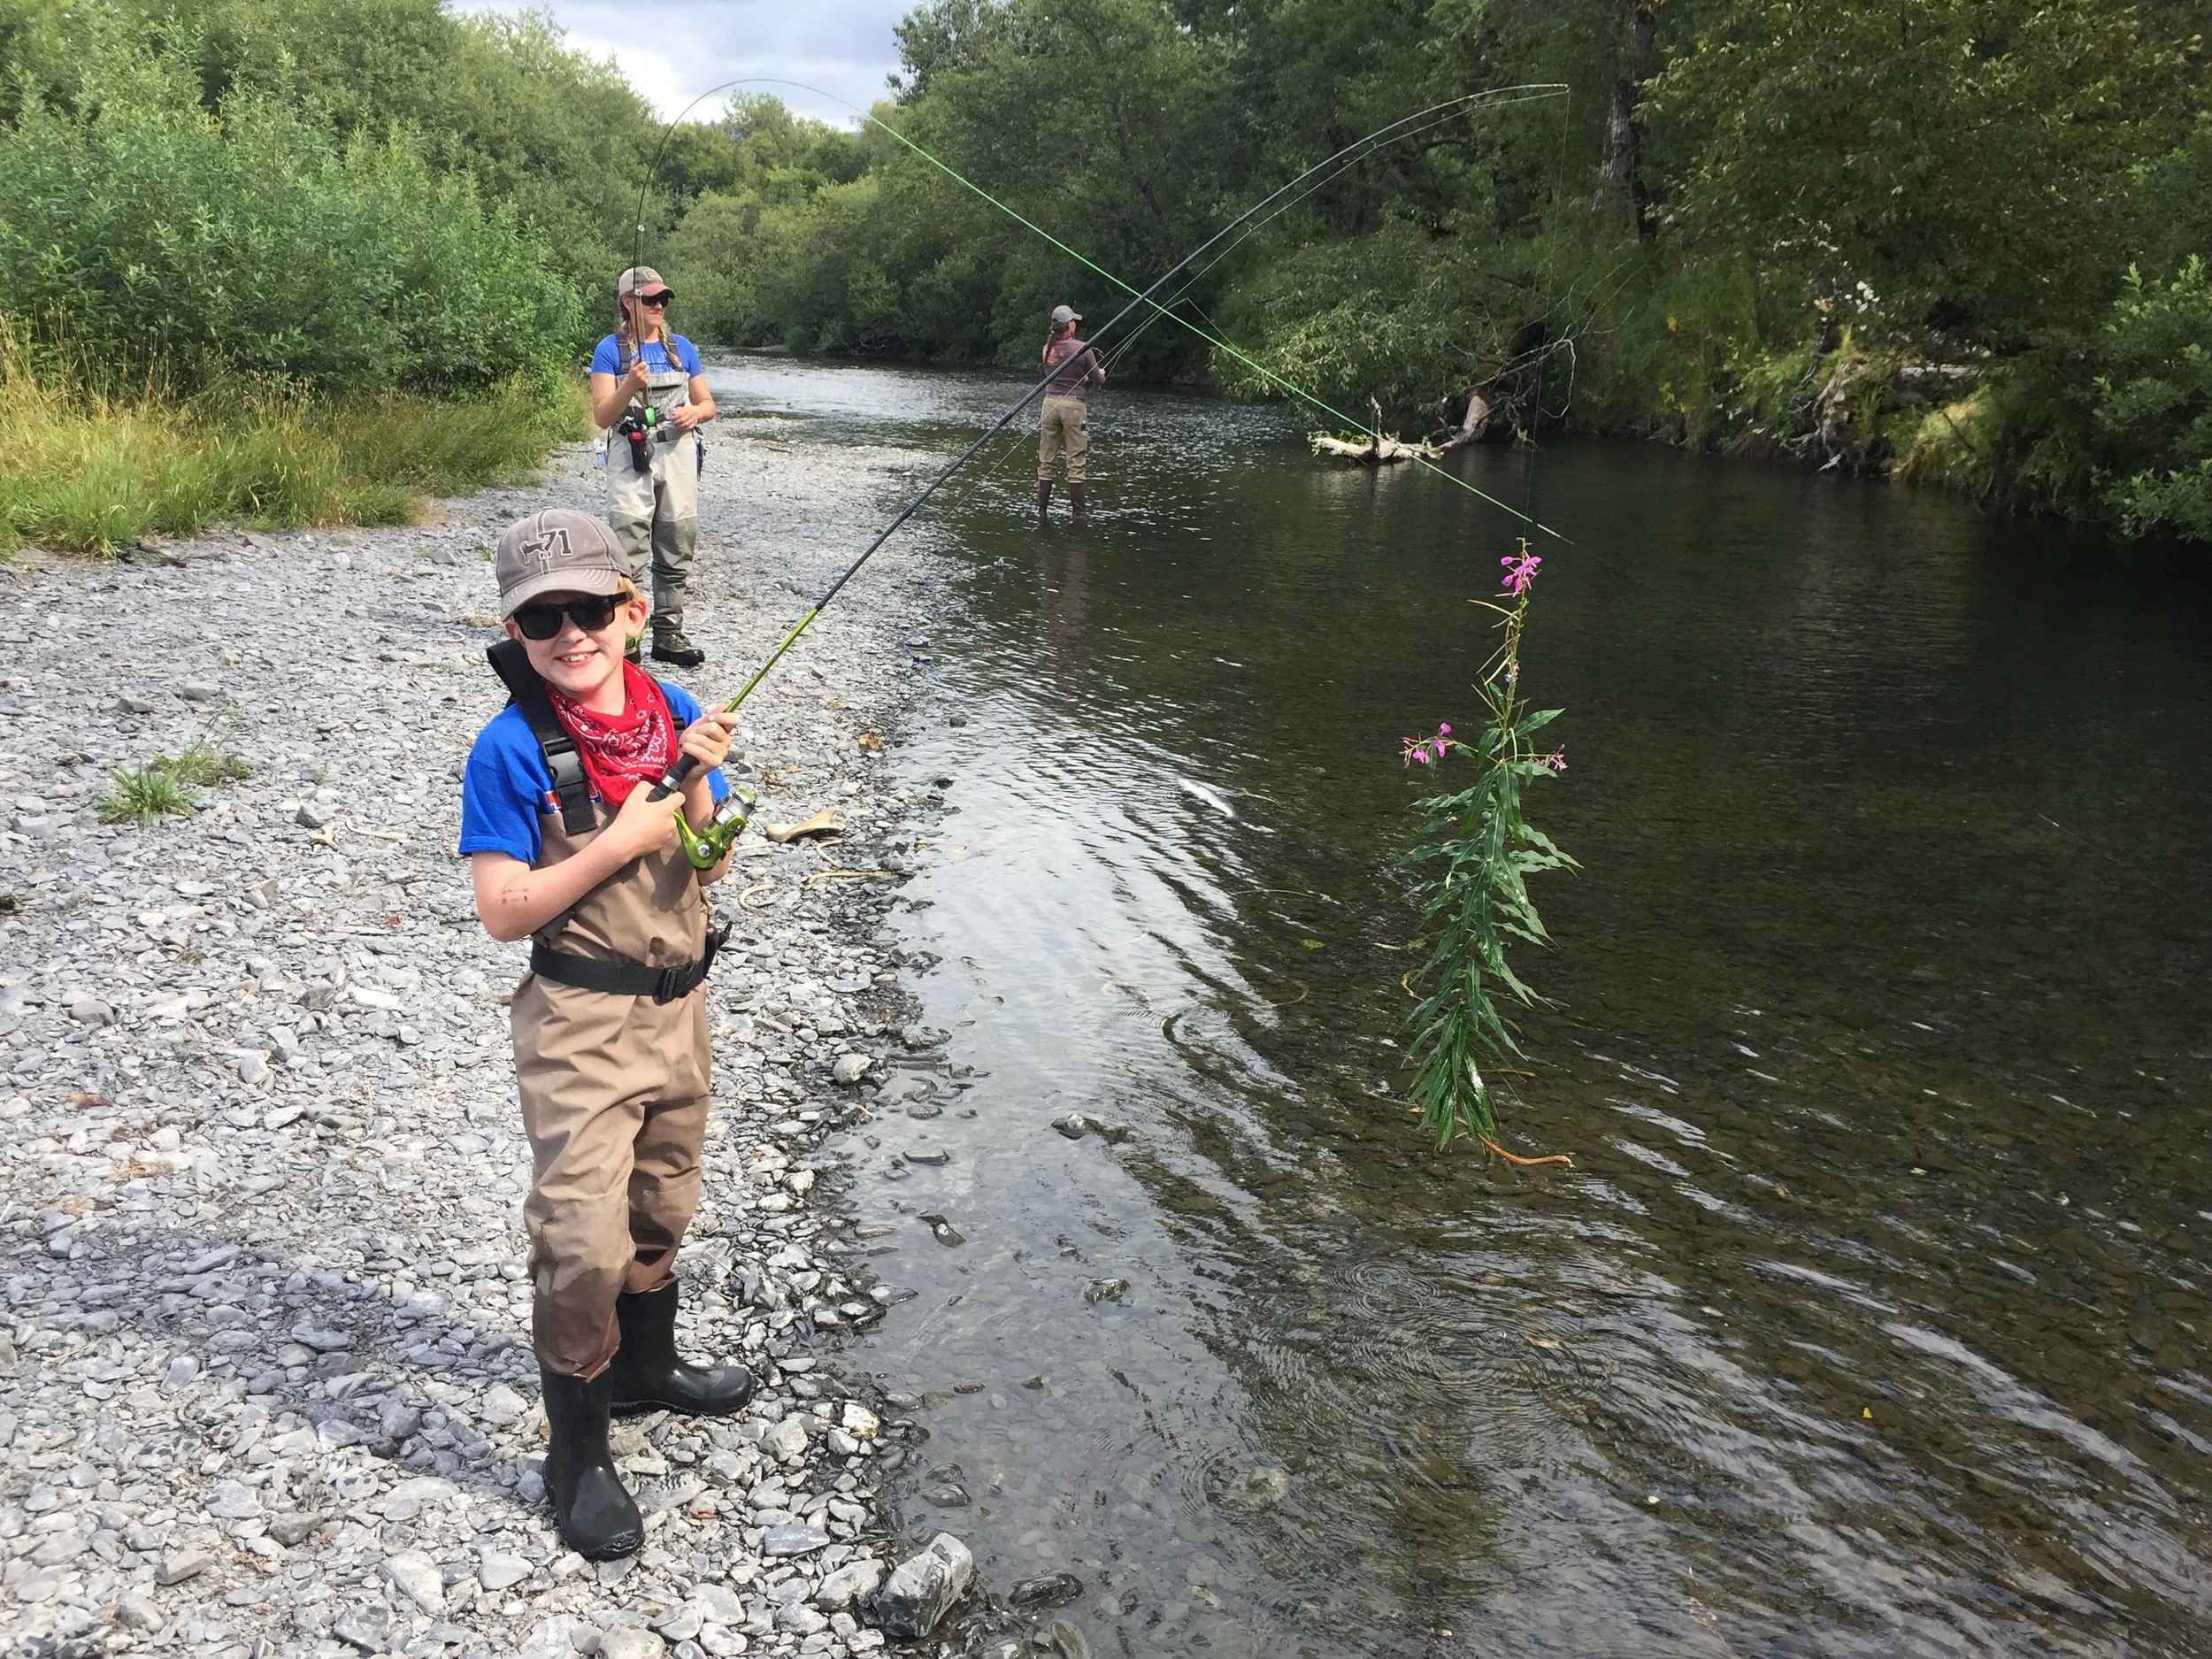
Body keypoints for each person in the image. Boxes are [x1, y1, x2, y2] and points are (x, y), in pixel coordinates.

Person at [459, 509, 750, 1560]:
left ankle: (646, 1371)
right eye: (544, 619)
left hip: (681, 1008)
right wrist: (620, 837)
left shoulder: (667, 704)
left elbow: (710, 864)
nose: (570, 634)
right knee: (581, 1241)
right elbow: (502, 911)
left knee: (662, 1203)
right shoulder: (506, 750)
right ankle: (575, 1455)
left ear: (632, 612)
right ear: (516, 630)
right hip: (578, 1023)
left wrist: (699, 779)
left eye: (590, 609)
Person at [590, 267, 717, 668]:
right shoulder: (609, 351)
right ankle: (628, 641)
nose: (659, 305)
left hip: (678, 454)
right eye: (650, 299)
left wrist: (694, 414)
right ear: (629, 303)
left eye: (663, 299)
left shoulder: (682, 348)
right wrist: (628, 385)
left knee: (677, 542)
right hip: (630, 454)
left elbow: (709, 405)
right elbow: (602, 416)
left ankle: (668, 635)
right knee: (628, 546)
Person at [1038, 303, 1104, 518]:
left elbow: (1059, 374)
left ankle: (1042, 512)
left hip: (1049, 405)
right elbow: (1099, 380)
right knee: (1076, 460)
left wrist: (1081, 377)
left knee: (1047, 461)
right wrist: (1100, 373)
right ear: (1070, 326)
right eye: (1073, 321)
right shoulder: (1084, 348)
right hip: (1076, 408)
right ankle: (1079, 514)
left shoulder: (1047, 349)